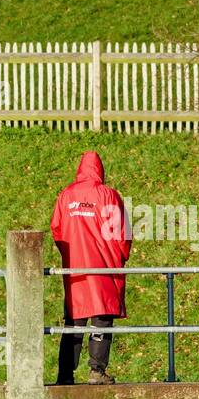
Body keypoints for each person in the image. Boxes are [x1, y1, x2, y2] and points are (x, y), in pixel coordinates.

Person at [50, 151, 131, 385]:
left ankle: (65, 374)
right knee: (102, 320)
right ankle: (97, 371)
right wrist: (119, 258)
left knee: (73, 322)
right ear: (100, 170)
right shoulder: (108, 195)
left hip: (75, 271)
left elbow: (57, 229)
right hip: (103, 269)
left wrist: (70, 254)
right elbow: (122, 233)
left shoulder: (66, 196)